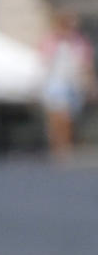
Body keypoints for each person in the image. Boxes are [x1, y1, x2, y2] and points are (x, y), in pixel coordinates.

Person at [39, 17, 89, 158]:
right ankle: (58, 146)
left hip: (72, 82)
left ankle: (65, 146)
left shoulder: (78, 41)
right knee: (56, 117)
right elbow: (43, 61)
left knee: (67, 118)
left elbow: (85, 62)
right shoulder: (51, 41)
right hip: (54, 82)